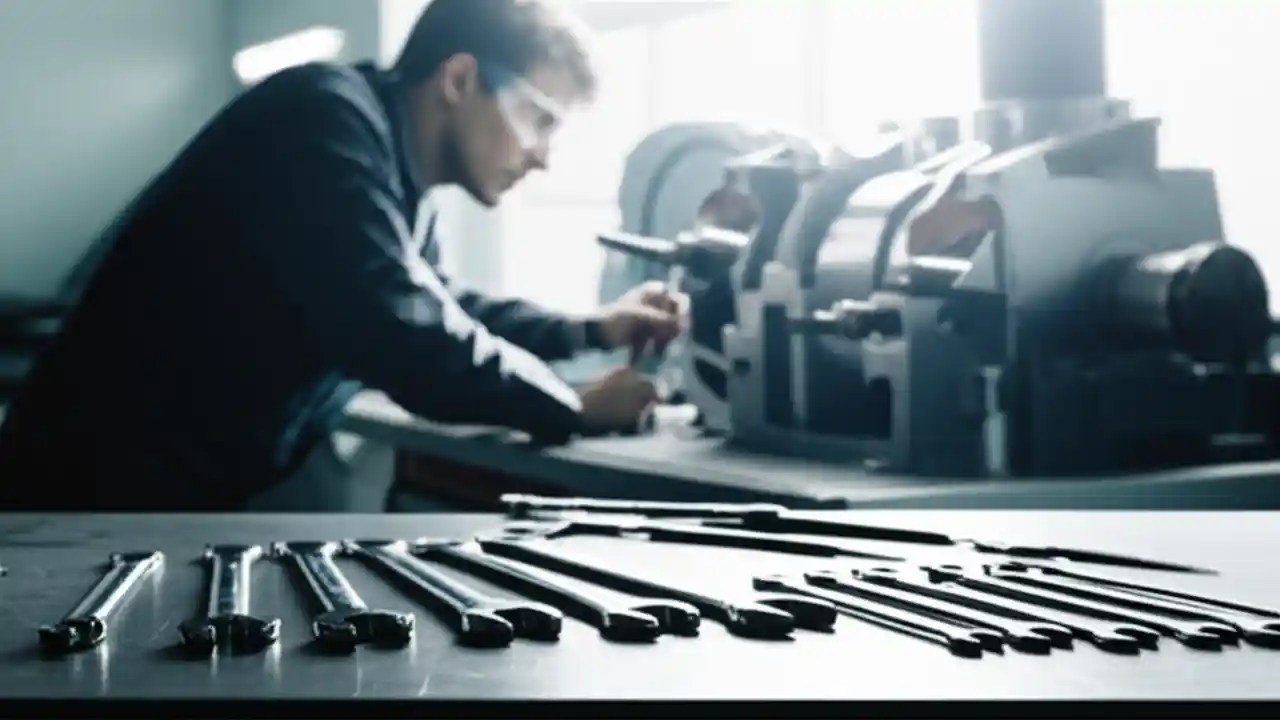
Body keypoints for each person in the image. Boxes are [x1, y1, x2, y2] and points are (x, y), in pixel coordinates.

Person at [0, 0, 682, 511]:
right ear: (460, 78)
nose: (544, 156)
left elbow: (437, 302)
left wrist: (589, 329)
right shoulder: (322, 117)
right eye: (541, 119)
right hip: (77, 501)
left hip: (153, 500)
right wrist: (568, 406)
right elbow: (395, 327)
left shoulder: (398, 173)